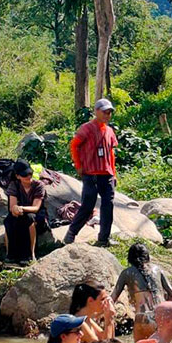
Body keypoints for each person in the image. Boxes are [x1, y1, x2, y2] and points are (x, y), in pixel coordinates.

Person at [63, 99, 118, 248]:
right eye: (105, 111)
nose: (107, 115)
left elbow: (111, 153)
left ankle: (103, 238)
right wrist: (79, 166)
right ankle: (71, 233)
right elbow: (74, 146)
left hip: (106, 175)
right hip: (91, 174)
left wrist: (113, 173)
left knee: (108, 206)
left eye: (109, 112)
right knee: (87, 206)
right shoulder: (86, 128)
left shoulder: (110, 131)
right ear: (96, 111)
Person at [111, 243, 172, 342]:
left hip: (141, 318)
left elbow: (112, 298)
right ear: (147, 256)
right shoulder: (158, 270)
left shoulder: (127, 273)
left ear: (130, 258)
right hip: (160, 318)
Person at [4, 159, 47, 263]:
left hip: (36, 215)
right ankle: (10, 254)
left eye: (29, 173)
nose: (28, 177)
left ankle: (30, 254)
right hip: (20, 213)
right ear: (18, 176)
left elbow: (35, 208)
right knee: (9, 221)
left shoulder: (38, 185)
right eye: (24, 175)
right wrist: (15, 209)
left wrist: (21, 208)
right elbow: (12, 206)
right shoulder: (14, 185)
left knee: (29, 219)